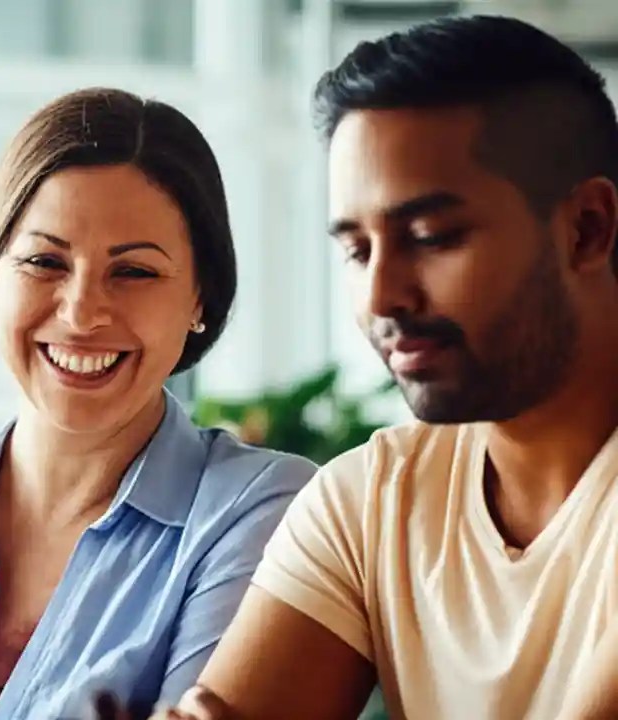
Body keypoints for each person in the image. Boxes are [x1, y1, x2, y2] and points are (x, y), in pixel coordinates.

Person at [141, 14, 618, 720]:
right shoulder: (371, 503)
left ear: (586, 229)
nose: (381, 296)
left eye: (430, 238)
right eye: (357, 250)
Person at [0, 87, 316, 719]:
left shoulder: (260, 514)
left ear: (200, 299)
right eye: (44, 261)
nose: (80, 313)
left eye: (133, 272)